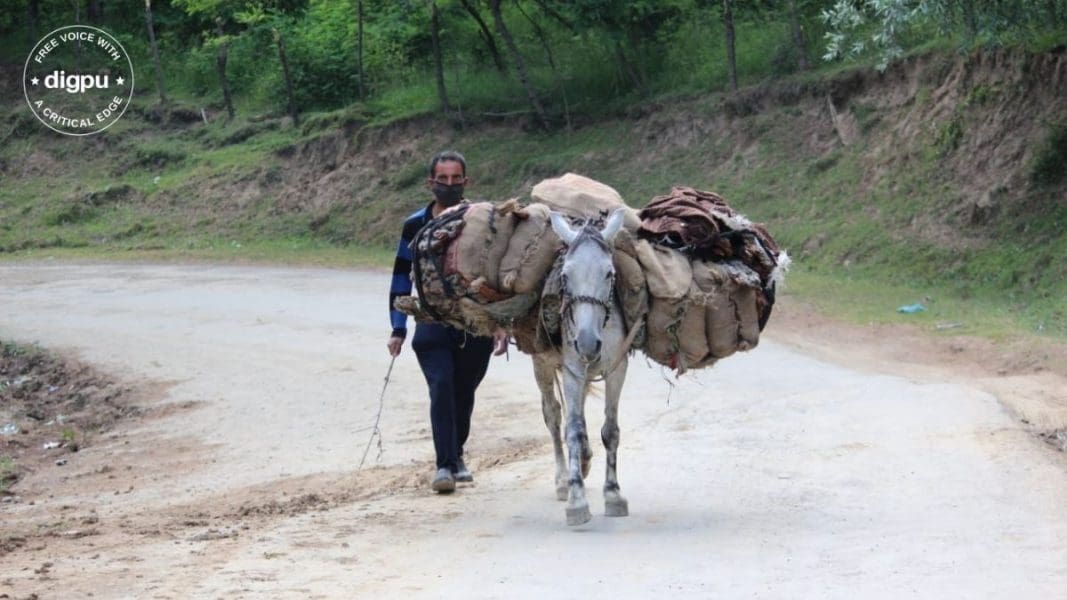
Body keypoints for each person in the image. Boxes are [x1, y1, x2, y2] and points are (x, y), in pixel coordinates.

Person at [387, 150, 507, 494]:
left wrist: (499, 323)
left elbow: (495, 276)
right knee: (441, 385)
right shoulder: (415, 224)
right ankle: (444, 465)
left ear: (466, 182)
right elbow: (400, 276)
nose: (450, 185)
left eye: (456, 179)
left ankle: (456, 455)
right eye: (443, 179)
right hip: (432, 320)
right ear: (431, 183)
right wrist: (398, 327)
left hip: (473, 323)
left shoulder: (481, 221)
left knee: (463, 390)